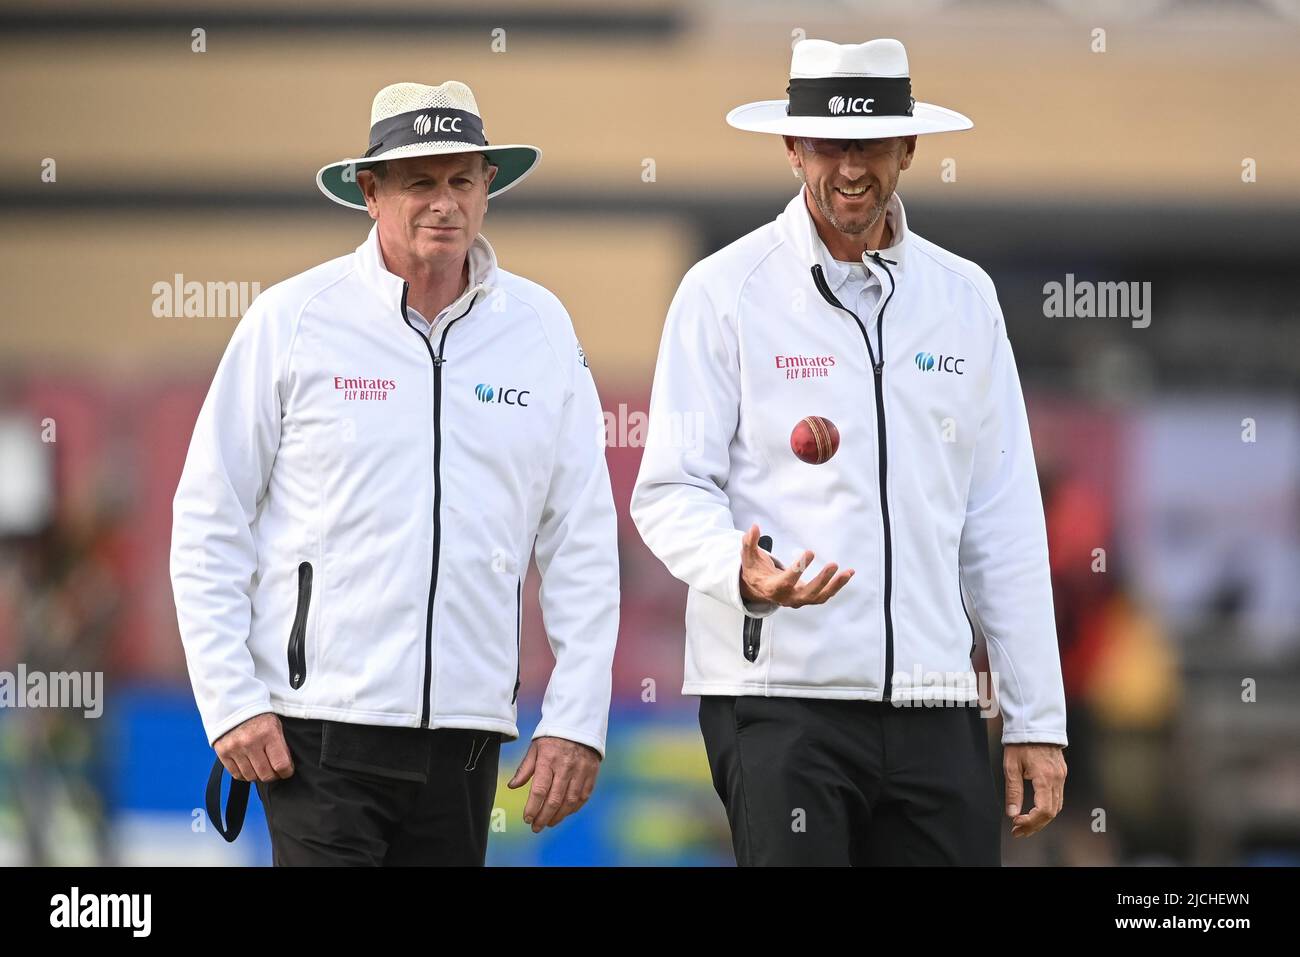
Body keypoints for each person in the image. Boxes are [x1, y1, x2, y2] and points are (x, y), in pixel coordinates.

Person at [631, 39, 1068, 865]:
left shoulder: (965, 297)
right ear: (793, 148)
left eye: (870, 145)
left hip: (938, 702)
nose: (852, 168)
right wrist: (738, 567)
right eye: (831, 145)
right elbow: (668, 488)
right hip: (778, 703)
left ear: (908, 148)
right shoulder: (724, 290)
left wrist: (1037, 718)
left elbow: (1002, 519)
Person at [170, 80, 620, 865]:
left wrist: (577, 715)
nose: (443, 203)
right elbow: (209, 518)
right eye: (419, 181)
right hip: (314, 733)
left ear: (487, 191)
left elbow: (580, 535)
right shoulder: (292, 320)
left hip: (467, 739)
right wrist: (230, 701)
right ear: (370, 192)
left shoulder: (542, 328)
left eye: (461, 180)